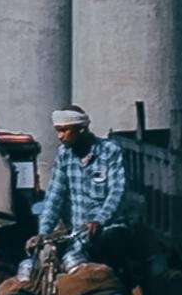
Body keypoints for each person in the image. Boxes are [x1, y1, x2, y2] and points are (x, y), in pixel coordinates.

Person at [33, 106, 130, 266]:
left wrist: (99, 221)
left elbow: (117, 192)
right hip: (77, 236)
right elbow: (53, 198)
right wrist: (43, 234)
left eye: (64, 131)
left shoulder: (110, 150)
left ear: (82, 129)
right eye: (58, 131)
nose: (60, 136)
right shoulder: (64, 154)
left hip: (109, 230)